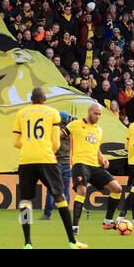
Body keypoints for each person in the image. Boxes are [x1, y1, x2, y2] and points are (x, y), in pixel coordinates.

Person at [13, 87, 82, 249]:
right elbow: (56, 143)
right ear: (44, 99)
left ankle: (27, 243)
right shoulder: (52, 113)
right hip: (47, 159)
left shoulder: (21, 114)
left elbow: (16, 142)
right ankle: (72, 242)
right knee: (59, 196)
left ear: (31, 98)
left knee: (25, 201)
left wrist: (30, 145)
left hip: (26, 160)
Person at [68, 102, 124, 233]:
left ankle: (108, 221)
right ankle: (74, 227)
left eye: (100, 114)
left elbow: (96, 148)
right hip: (80, 163)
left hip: (94, 166)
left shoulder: (99, 130)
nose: (98, 116)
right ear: (89, 112)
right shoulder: (75, 125)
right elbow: (61, 134)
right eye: (96, 113)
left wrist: (102, 159)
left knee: (117, 189)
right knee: (82, 191)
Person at [40, 111, 74, 221]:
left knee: (51, 189)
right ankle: (65, 214)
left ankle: (47, 214)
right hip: (67, 163)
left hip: (56, 163)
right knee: (66, 191)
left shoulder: (55, 130)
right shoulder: (71, 129)